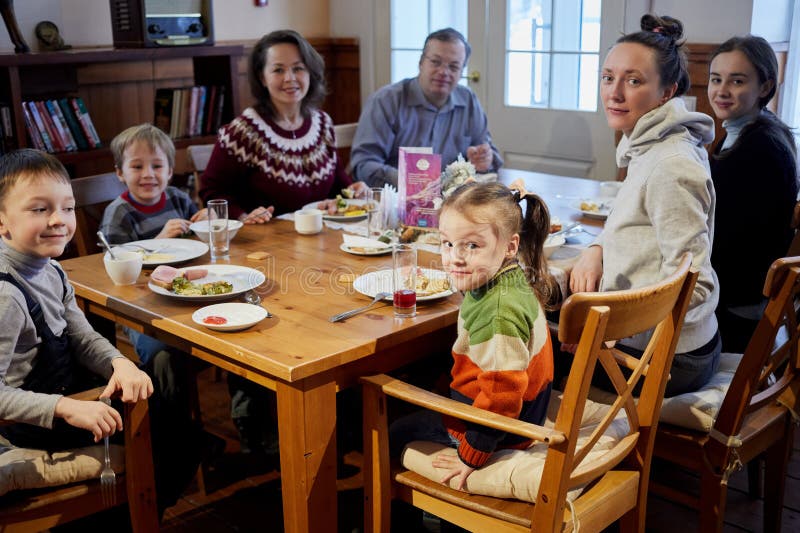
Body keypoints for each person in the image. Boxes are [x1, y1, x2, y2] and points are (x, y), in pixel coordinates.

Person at [0, 149, 198, 515]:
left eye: (67, 207)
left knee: (174, 423)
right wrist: (65, 408)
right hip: (37, 422)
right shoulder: (7, 296)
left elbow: (82, 336)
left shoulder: (52, 270)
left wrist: (118, 362)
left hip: (70, 396)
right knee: (176, 442)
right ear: (2, 221)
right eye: (39, 209)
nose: (58, 220)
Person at [569, 14, 721, 396]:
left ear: (666, 92)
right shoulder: (650, 145)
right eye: (608, 77)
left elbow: (694, 285)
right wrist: (597, 248)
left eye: (633, 81)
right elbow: (637, 227)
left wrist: (612, 328)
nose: (614, 93)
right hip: (650, 342)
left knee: (516, 358)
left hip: (670, 359)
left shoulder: (671, 165)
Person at [390, 181, 554, 492]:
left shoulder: (498, 314)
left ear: (509, 246)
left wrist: (472, 456)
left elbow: (501, 397)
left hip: (501, 431)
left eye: (472, 246)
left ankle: (430, 517)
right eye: (447, 243)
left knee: (394, 429)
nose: (455, 258)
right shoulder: (507, 277)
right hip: (521, 414)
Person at [199, 29, 366, 223]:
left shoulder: (323, 124)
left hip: (319, 239)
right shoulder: (242, 133)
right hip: (265, 245)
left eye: (298, 68)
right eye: (278, 70)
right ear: (262, 78)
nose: (290, 78)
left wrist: (353, 191)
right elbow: (212, 192)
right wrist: (243, 217)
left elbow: (337, 183)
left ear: (310, 72)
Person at [707, 35, 798, 353]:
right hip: (739, 293)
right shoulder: (745, 131)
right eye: (716, 79)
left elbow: (728, 238)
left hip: (736, 311)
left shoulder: (760, 148)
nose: (721, 90)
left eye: (737, 81)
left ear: (765, 86)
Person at [349, 27, 502, 187]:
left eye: (454, 67)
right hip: (396, 202)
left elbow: (489, 155)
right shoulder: (386, 101)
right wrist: (412, 182)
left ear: (461, 72)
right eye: (435, 62)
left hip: (453, 203)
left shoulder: (469, 100)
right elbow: (363, 164)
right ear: (421, 63)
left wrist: (485, 159)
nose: (443, 72)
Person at [101, 123, 207, 247]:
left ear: (169, 172)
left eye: (157, 166)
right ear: (120, 173)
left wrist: (208, 224)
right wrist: (158, 241)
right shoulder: (118, 214)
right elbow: (115, 260)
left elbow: (198, 238)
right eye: (137, 167)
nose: (148, 174)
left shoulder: (179, 198)